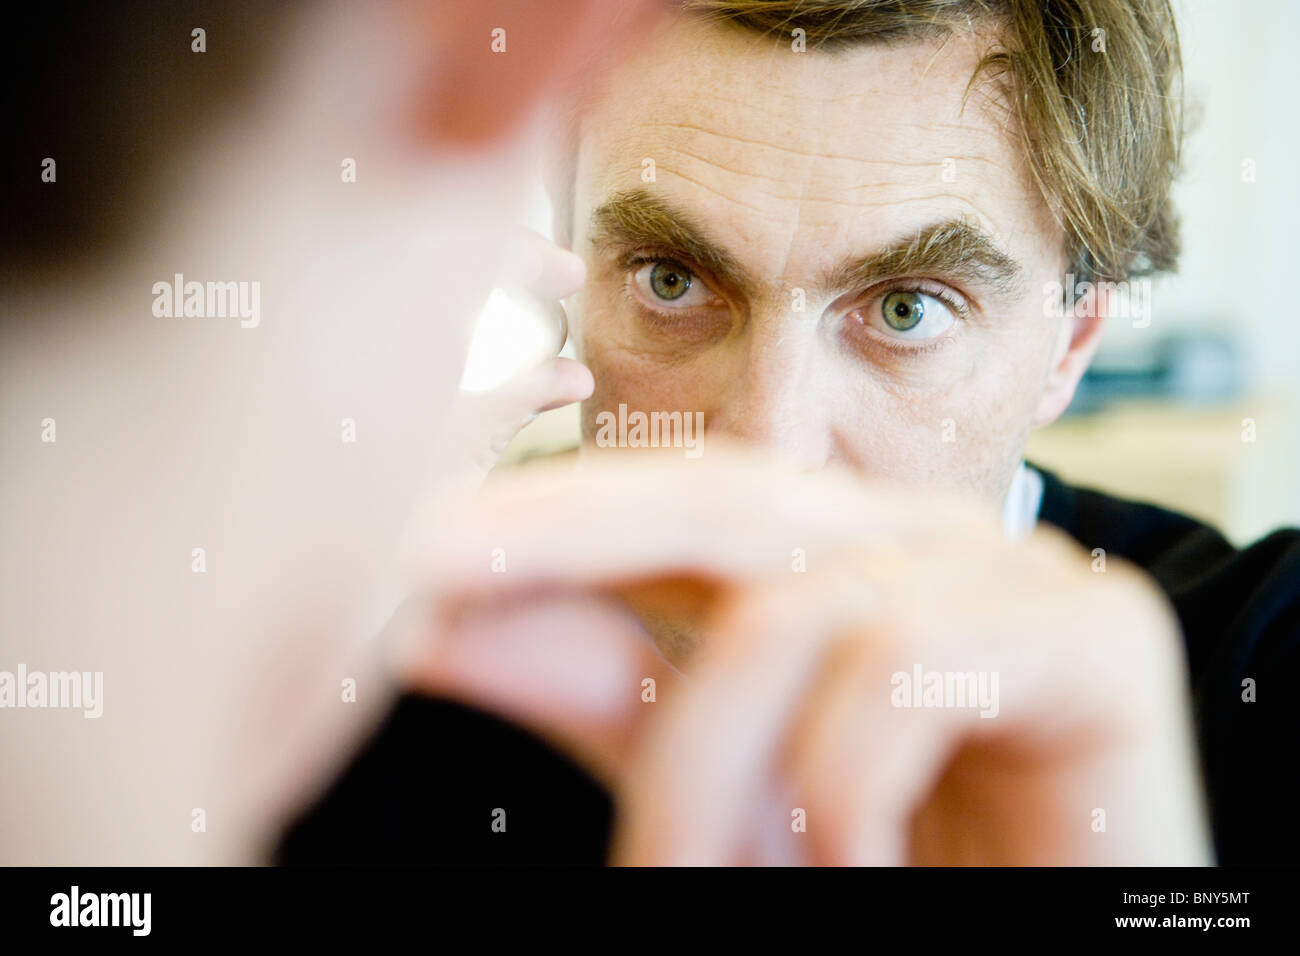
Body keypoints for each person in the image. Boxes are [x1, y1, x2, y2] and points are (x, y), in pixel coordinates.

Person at [280, 0, 1299, 866]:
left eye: (906, 309)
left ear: (1071, 340)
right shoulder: (383, 657)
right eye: (671, 280)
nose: (765, 443)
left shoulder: (1261, 665)